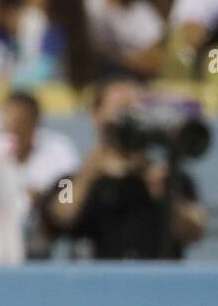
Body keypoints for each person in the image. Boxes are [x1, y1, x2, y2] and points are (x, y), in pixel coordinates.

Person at [43, 79, 206, 259]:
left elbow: (194, 232)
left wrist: (169, 196)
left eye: (135, 110)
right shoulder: (72, 180)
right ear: (97, 117)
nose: (128, 121)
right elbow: (60, 217)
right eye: (119, 109)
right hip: (98, 280)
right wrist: (89, 173)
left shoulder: (169, 178)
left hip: (156, 280)